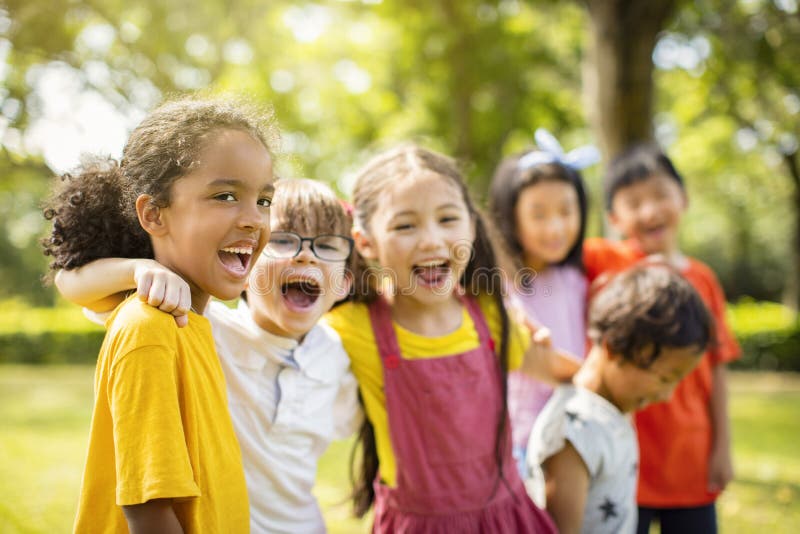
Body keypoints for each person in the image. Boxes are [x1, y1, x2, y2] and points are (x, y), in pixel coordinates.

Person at [55, 178, 363, 533]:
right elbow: (70, 283)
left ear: (343, 282)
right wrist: (139, 270)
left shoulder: (337, 354)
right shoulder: (200, 324)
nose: (305, 255)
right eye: (281, 241)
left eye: (326, 245)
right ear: (242, 267)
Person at [41, 94, 278, 533]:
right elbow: (148, 511)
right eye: (225, 196)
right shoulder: (148, 328)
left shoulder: (192, 323)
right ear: (153, 214)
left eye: (264, 200)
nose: (253, 220)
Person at [324, 144, 582, 532]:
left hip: (507, 519)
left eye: (447, 219)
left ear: (471, 226)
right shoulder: (351, 328)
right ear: (365, 242)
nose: (431, 240)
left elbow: (563, 373)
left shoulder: (491, 315)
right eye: (405, 225)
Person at [582, 143, 741, 534]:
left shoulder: (704, 280)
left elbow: (717, 370)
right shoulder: (606, 260)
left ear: (683, 199)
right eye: (634, 203)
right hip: (623, 460)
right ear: (614, 218)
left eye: (660, 195)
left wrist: (722, 448)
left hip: (690, 460)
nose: (649, 211)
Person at [526, 264, 713, 534]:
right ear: (614, 348)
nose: (667, 395)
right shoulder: (573, 430)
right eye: (663, 378)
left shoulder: (610, 409)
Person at [489, 128, 598, 476]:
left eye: (567, 211)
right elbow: (538, 362)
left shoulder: (577, 280)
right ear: (511, 215)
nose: (555, 228)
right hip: (519, 446)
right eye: (538, 214)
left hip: (576, 441)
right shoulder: (499, 288)